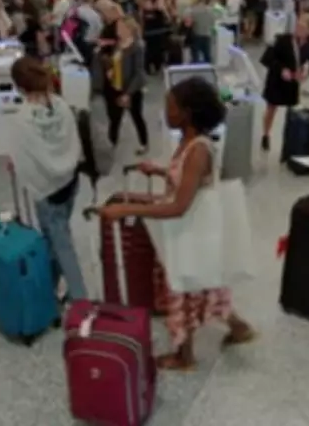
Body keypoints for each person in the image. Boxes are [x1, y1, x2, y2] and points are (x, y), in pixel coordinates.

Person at [99, 77, 256, 370]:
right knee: (209, 284)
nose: (165, 113)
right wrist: (158, 171)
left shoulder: (197, 150)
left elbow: (179, 206)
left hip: (189, 232)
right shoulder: (189, 142)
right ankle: (238, 327)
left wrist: (125, 209)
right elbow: (187, 182)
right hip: (198, 229)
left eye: (170, 108)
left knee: (181, 287)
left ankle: (184, 356)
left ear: (188, 113)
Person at [9, 56, 87, 302]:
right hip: (70, 182)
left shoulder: (22, 119)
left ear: (20, 87)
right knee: (55, 238)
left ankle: (81, 300)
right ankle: (50, 287)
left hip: (47, 191)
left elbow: (27, 158)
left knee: (63, 245)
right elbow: (72, 141)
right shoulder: (61, 105)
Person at [260, 14, 309, 151]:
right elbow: (267, 58)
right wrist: (281, 69)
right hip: (276, 80)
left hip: (293, 83)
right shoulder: (282, 40)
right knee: (271, 108)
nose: (298, 28)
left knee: (291, 111)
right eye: (298, 25)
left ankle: (290, 136)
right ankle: (266, 134)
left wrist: (306, 73)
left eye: (302, 27)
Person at [92, 16, 149, 154]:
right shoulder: (116, 45)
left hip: (130, 89)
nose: (118, 30)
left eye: (121, 28)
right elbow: (114, 61)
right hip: (113, 87)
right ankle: (112, 143)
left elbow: (139, 72)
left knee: (136, 116)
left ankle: (143, 143)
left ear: (129, 30)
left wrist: (128, 93)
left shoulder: (136, 47)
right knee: (114, 118)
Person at [183, 0, 218, 64]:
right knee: (207, 55)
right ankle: (208, 69)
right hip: (207, 34)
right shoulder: (210, 10)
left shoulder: (191, 10)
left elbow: (187, 23)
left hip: (196, 34)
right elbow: (215, 20)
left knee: (195, 55)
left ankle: (196, 69)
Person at [141, 0, 171, 73]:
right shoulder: (159, 1)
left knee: (149, 49)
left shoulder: (144, 2)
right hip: (159, 30)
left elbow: (142, 15)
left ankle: (148, 67)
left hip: (148, 30)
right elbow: (163, 12)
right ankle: (157, 65)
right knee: (159, 49)